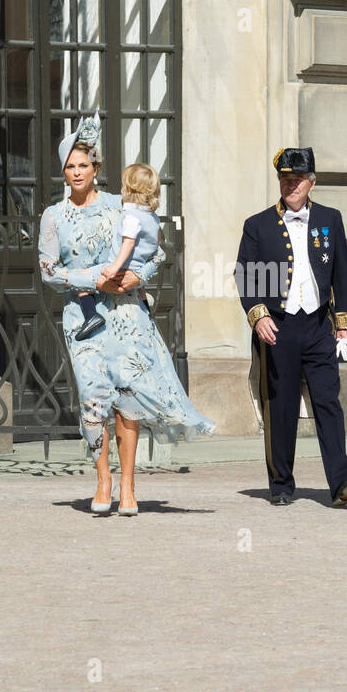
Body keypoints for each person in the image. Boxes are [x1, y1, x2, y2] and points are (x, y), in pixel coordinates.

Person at [38, 116, 215, 516]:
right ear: (64, 172)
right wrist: (93, 279)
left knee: (127, 399)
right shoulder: (53, 216)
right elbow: (49, 270)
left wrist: (137, 274)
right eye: (70, 166)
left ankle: (129, 486)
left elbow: (156, 250)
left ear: (95, 168)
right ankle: (102, 480)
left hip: (127, 313)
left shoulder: (123, 205)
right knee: (93, 399)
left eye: (84, 165)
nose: (77, 172)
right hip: (83, 316)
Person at [235, 146, 347, 507]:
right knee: (281, 406)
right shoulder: (257, 224)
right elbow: (245, 275)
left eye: (297, 180)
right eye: (285, 179)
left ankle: (342, 482)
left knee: (328, 401)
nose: (290, 186)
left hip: (319, 323)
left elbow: (342, 272)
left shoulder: (330, 218)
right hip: (278, 326)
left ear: (312, 182)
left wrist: (344, 324)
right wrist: (258, 315)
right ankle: (280, 484)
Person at [75, 162, 163, 340]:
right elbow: (158, 242)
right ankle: (147, 313)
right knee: (142, 290)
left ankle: (91, 315)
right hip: (137, 272)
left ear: (129, 190)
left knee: (81, 277)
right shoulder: (152, 217)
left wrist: (114, 267)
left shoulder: (131, 216)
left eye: (124, 186)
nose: (121, 189)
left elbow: (128, 244)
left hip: (120, 270)